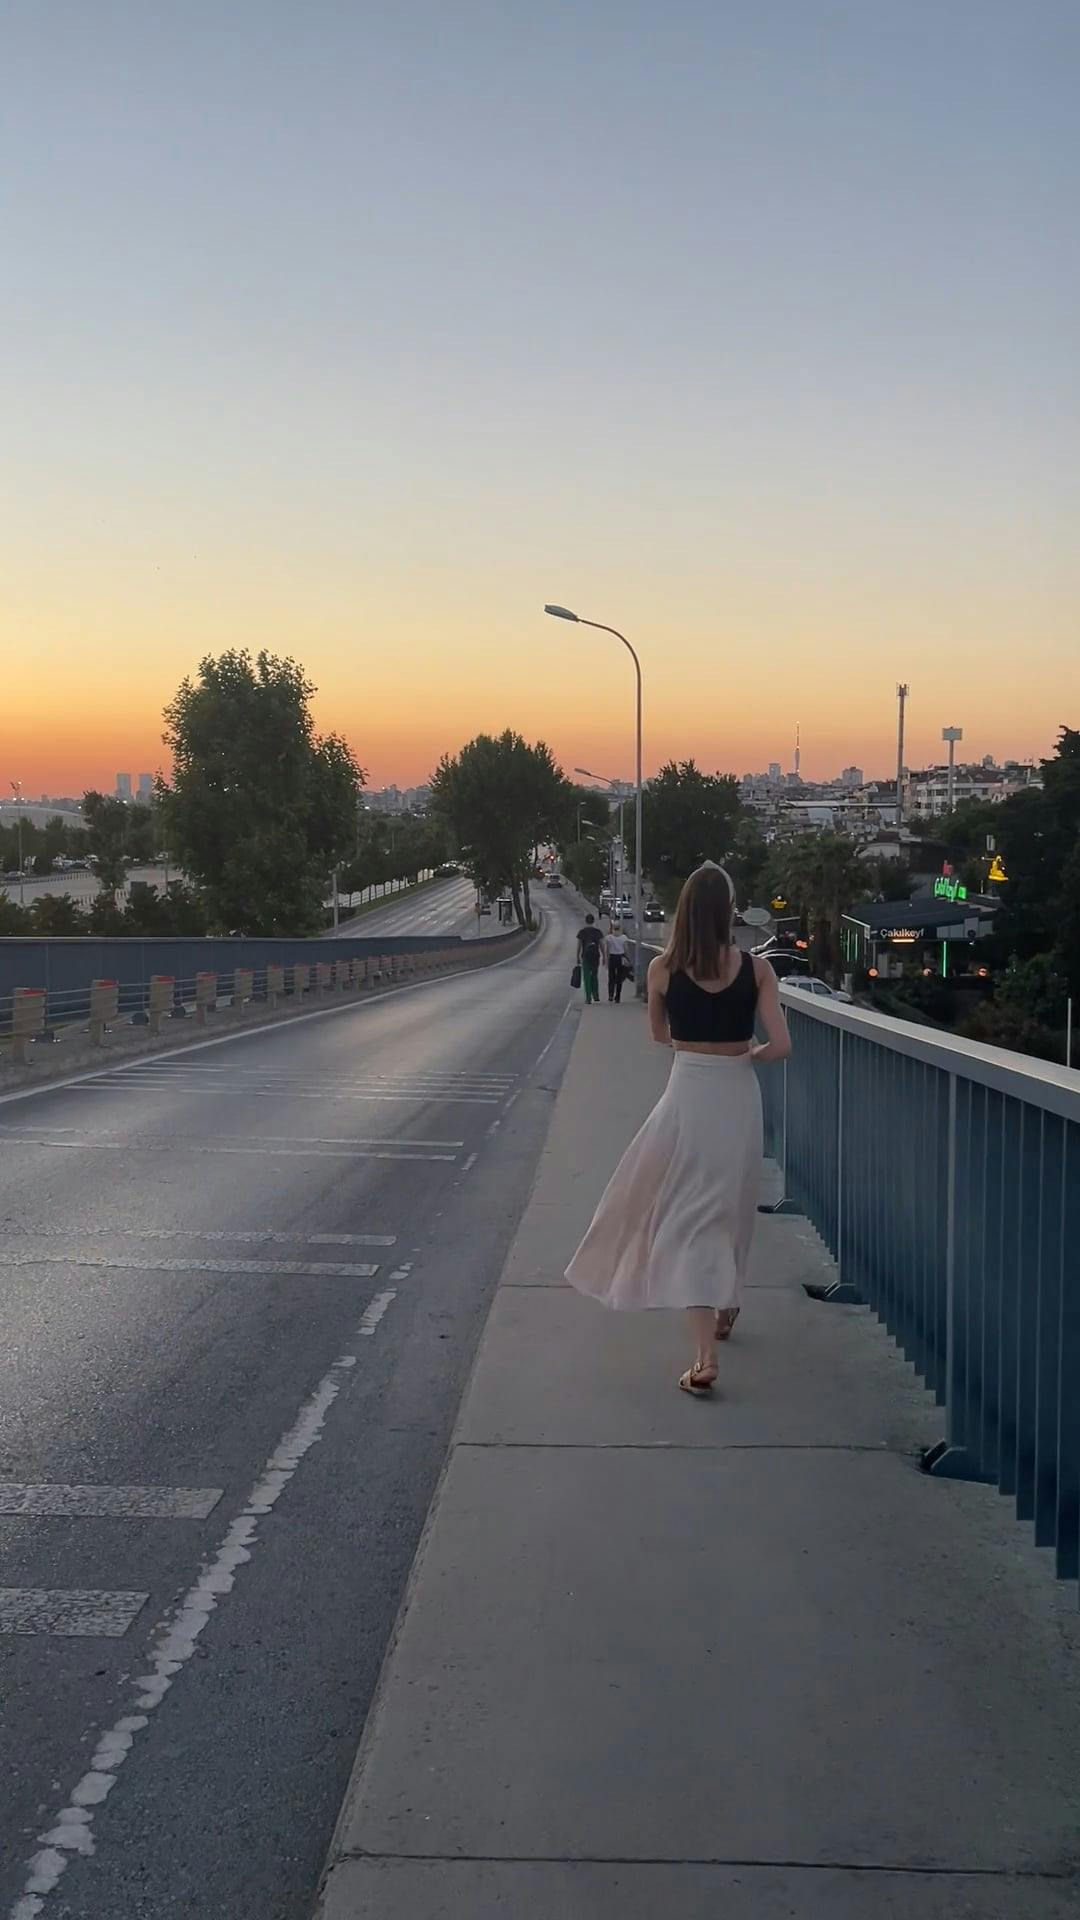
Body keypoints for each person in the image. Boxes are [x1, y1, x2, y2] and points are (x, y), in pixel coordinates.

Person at [565, 862, 790, 1396]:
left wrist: (695, 1048)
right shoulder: (757, 970)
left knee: (690, 1216)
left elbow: (658, 1034)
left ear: (685, 910)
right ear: (728, 913)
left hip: (688, 1095)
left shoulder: (662, 969)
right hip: (738, 1098)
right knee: (731, 1207)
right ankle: (726, 1304)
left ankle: (705, 1356)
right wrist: (747, 1053)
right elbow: (781, 1046)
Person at [576, 913, 603, 1004]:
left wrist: (577, 957)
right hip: (595, 956)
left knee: (586, 976)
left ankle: (588, 997)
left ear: (586, 921)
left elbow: (579, 946)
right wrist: (605, 956)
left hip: (586, 956)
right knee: (594, 975)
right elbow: (602, 945)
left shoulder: (582, 932)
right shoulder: (597, 932)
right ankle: (596, 995)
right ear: (593, 921)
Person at [603, 923, 629, 1002]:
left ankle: (610, 995)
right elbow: (626, 949)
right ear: (620, 928)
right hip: (620, 957)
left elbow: (607, 950)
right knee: (619, 978)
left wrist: (606, 960)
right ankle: (617, 997)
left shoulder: (608, 937)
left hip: (612, 957)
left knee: (611, 977)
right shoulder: (624, 937)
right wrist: (627, 958)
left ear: (612, 928)